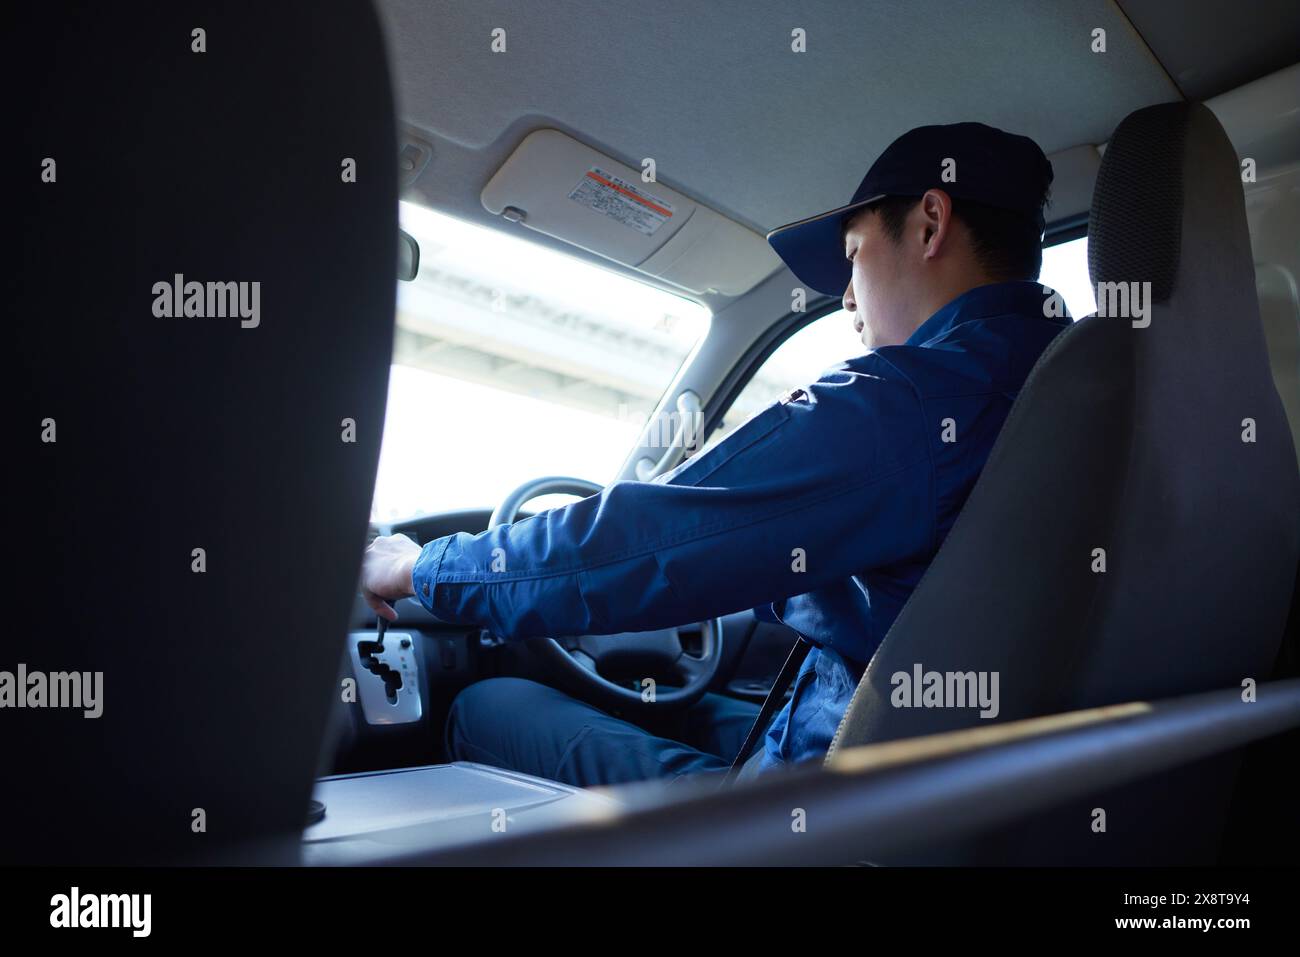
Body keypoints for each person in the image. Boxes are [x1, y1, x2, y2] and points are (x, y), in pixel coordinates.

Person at [360, 122, 1069, 788]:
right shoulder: (1065, 390)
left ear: (931, 222)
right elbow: (794, 551)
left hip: (822, 818)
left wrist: (417, 565)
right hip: (933, 786)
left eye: (853, 256)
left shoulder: (911, 400)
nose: (848, 298)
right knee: (689, 709)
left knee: (492, 704)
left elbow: (641, 542)